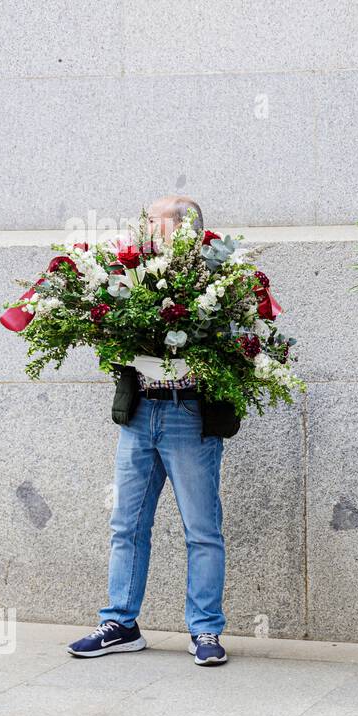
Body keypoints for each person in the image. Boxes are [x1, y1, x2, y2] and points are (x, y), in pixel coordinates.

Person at [66, 196, 240, 667]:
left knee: (202, 530)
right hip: (141, 414)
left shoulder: (219, 276)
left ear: (184, 229)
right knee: (126, 524)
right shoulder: (128, 272)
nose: (142, 227)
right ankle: (120, 623)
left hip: (188, 416)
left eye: (153, 221)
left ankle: (205, 631)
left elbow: (241, 343)